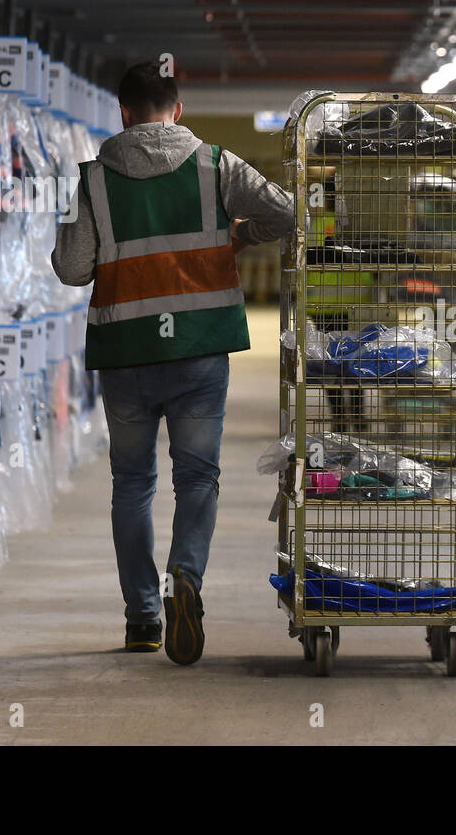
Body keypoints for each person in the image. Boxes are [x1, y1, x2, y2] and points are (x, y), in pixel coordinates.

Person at [52, 62, 294, 664]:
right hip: (199, 351)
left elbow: (72, 269)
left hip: (127, 354)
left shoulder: (94, 180)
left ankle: (142, 618)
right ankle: (185, 578)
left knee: (132, 484)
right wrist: (236, 234)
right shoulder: (216, 165)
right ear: (178, 111)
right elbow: (289, 212)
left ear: (124, 113)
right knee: (198, 478)